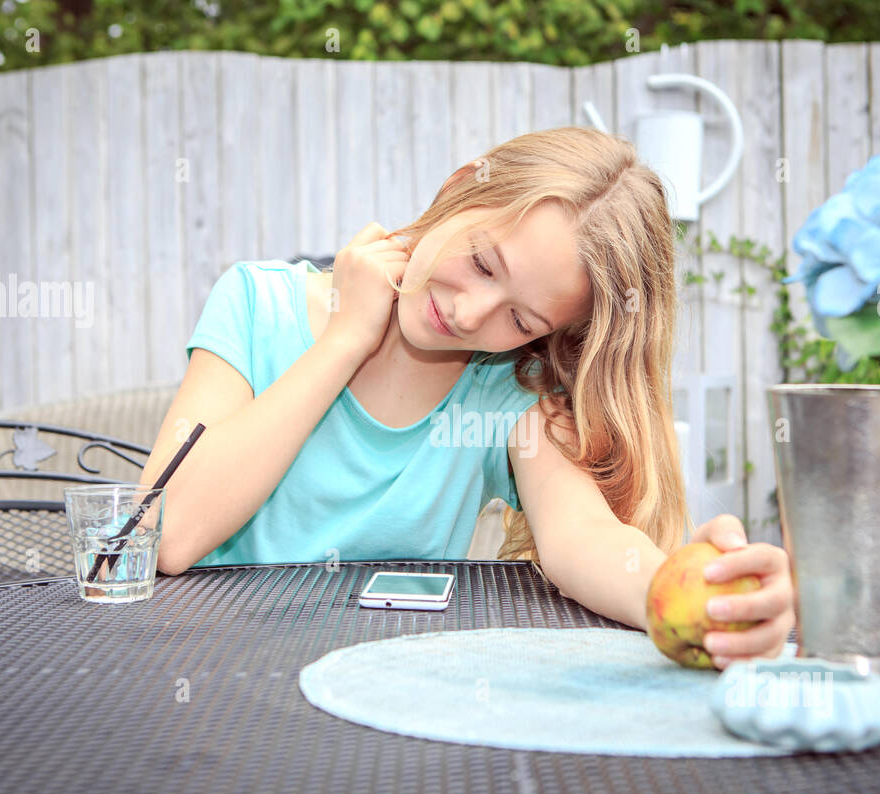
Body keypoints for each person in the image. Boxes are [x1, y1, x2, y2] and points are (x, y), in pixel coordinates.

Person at [141, 126, 793, 666]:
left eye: (521, 320)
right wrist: (344, 341)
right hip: (218, 682)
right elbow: (168, 533)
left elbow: (583, 537)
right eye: (483, 263)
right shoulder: (258, 303)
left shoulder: (504, 395)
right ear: (459, 187)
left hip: (386, 703)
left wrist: (673, 588)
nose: (473, 312)